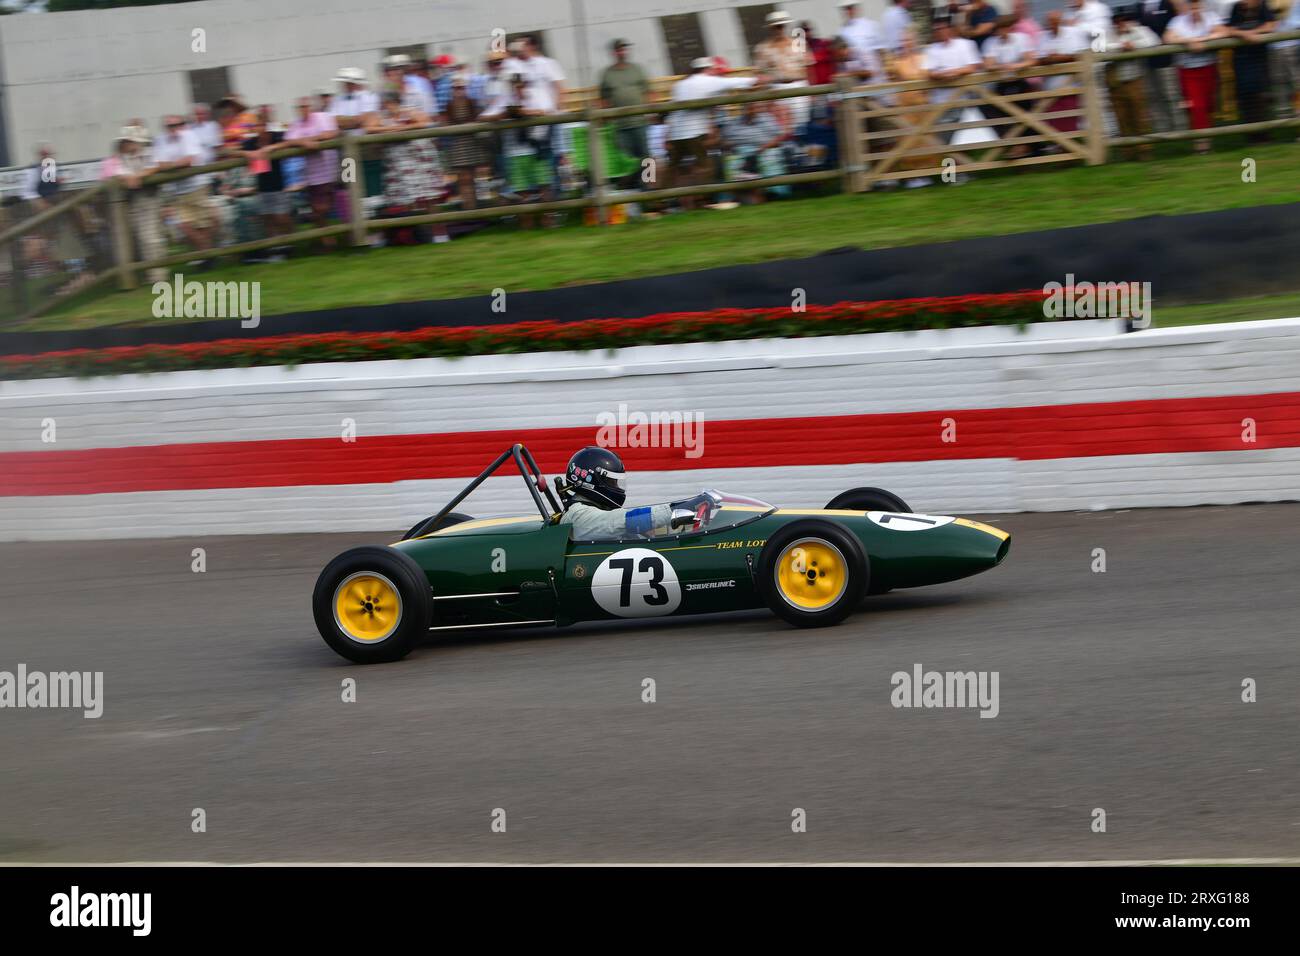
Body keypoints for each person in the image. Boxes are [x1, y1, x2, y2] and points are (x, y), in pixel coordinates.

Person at [556, 447, 723, 541]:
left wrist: (687, 526)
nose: (617, 487)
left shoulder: (597, 512)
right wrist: (677, 509)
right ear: (592, 481)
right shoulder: (580, 517)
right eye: (613, 482)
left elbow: (646, 533)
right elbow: (627, 520)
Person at [666, 57, 758, 209]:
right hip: (693, 134)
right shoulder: (706, 80)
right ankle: (699, 200)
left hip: (676, 134)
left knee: (674, 167)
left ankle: (661, 200)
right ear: (707, 69)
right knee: (706, 167)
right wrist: (755, 80)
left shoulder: (680, 84)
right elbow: (733, 83)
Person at [1165, 0, 1228, 152]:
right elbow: (1167, 38)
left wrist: (1203, 40)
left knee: (1208, 105)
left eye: (1197, 6)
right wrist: (1188, 41)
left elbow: (1223, 32)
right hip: (1188, 71)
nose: (1195, 9)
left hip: (1209, 68)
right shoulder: (1178, 21)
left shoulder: (1211, 17)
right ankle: (1202, 144)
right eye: (1192, 6)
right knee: (1196, 106)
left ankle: (1205, 136)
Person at [1106, 6, 1161, 159]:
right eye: (1117, 20)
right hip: (1114, 83)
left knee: (1140, 116)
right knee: (1122, 119)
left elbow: (1154, 41)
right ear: (1113, 22)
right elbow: (1098, 49)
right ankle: (1128, 153)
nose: (1121, 23)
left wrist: (1134, 46)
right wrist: (1121, 47)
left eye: (1124, 20)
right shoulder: (1106, 33)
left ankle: (1145, 150)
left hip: (1135, 80)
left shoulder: (1139, 30)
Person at [285, 95, 339, 248]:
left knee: (331, 205)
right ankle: (327, 240)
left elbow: (333, 133)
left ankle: (335, 236)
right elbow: (288, 140)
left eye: (306, 106)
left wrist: (314, 139)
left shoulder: (323, 117)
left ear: (311, 106)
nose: (303, 110)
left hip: (334, 168)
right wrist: (304, 142)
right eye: (300, 107)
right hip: (312, 174)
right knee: (317, 208)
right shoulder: (296, 124)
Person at [1225, 0, 1277, 141]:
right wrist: (1244, 34)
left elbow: (1271, 25)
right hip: (1241, 59)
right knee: (1246, 96)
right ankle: (1251, 135)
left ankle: (1263, 135)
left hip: (1258, 58)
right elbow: (1228, 29)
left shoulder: (1262, 6)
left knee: (1260, 95)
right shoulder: (1236, 7)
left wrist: (1254, 32)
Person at [598, 38, 651, 177]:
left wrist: (651, 112)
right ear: (614, 53)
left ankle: (649, 184)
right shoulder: (607, 73)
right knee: (626, 157)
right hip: (619, 125)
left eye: (624, 49)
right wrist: (605, 118)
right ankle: (633, 185)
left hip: (639, 121)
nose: (622, 52)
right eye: (619, 49)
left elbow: (648, 92)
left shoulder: (637, 69)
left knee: (646, 154)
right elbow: (603, 98)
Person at [1139, 0, 1183, 132]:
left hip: (1167, 59)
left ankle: (1180, 128)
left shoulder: (1167, 4)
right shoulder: (1139, 6)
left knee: (1171, 95)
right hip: (1147, 61)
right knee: (1153, 96)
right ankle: (1162, 130)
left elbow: (1176, 24)